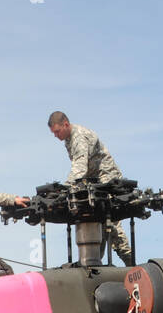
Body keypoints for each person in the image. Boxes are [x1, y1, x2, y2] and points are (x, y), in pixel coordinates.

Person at [47, 111, 134, 265]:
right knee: (96, 219)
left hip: (106, 178)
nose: (55, 136)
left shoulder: (79, 137)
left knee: (110, 222)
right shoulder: (69, 139)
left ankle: (130, 263)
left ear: (66, 124)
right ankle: (94, 263)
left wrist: (64, 189)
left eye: (57, 131)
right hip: (93, 181)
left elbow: (80, 167)